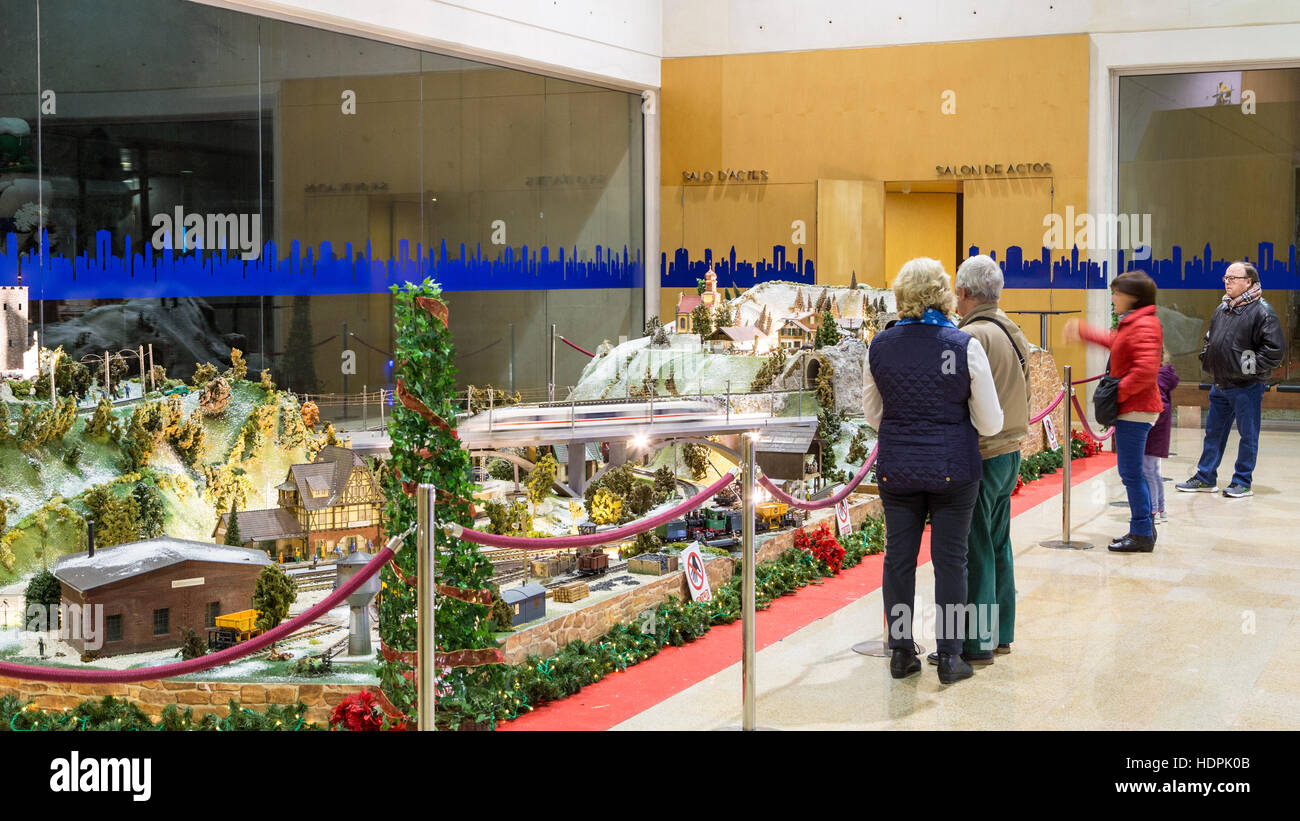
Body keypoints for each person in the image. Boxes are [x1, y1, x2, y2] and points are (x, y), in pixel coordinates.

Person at [863, 257, 1004, 684]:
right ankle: (950, 657)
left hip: (899, 468)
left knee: (899, 561)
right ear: (944, 293)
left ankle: (902, 652)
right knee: (951, 563)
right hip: (953, 469)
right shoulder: (963, 345)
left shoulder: (881, 345)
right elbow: (991, 422)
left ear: (901, 296)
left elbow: (872, 414)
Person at [936, 254, 1032, 665]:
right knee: (998, 543)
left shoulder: (971, 336)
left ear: (964, 293)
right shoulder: (1012, 329)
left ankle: (977, 643)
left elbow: (958, 399)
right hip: (1011, 452)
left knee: (974, 548)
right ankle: (1002, 633)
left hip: (982, 454)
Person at [1064, 271, 1163, 552]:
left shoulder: (1144, 324)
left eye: (1117, 293)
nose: (1114, 299)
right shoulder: (1136, 322)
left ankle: (1142, 532)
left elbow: (1144, 372)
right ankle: (1143, 527)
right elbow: (1117, 342)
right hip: (1133, 407)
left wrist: (1116, 395)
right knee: (1133, 472)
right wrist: (1085, 331)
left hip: (1136, 408)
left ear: (1133, 297)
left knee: (1131, 473)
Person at [1176, 261, 1284, 498]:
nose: (1228, 282)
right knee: (1213, 433)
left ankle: (1242, 482)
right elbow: (1210, 338)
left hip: (1246, 387)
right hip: (1221, 384)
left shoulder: (1262, 311)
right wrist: (1207, 357)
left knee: (1248, 435)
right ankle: (1205, 477)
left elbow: (1274, 351)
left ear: (1249, 282)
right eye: (1226, 277)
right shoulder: (1223, 309)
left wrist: (1247, 369)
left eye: (1233, 278)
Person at [1145, 350, 1179, 523]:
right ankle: (1160, 507)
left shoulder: (1157, 377)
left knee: (1148, 470)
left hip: (1153, 430)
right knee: (1154, 471)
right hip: (1159, 431)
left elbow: (1159, 406)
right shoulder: (1164, 375)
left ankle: (1153, 510)